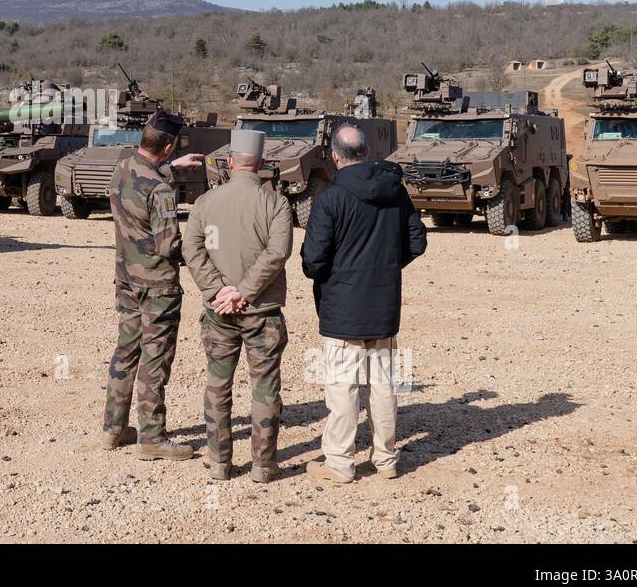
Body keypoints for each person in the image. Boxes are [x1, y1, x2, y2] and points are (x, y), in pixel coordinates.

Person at [301, 124, 427, 484]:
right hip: (384, 305)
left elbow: (313, 260)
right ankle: (386, 460)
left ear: (335, 156)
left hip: (342, 308)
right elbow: (416, 242)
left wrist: (337, 275)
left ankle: (340, 463)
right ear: (367, 152)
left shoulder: (330, 199)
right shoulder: (396, 193)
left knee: (343, 388)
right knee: (385, 386)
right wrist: (387, 265)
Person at [183, 128, 293, 483]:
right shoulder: (275, 203)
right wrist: (244, 292)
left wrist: (218, 292)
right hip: (262, 312)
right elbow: (277, 253)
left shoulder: (206, 203)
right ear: (260, 164)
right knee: (265, 387)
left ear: (230, 163)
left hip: (218, 314)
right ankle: (262, 465)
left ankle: (219, 461)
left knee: (218, 384)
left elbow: (192, 250)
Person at [100, 109, 204, 461]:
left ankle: (113, 428)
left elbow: (141, 182)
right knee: (155, 358)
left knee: (126, 350)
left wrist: (173, 167)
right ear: (170, 145)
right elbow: (168, 245)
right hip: (157, 286)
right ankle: (152, 437)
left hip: (126, 279)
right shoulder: (160, 190)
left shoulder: (123, 167)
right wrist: (203, 247)